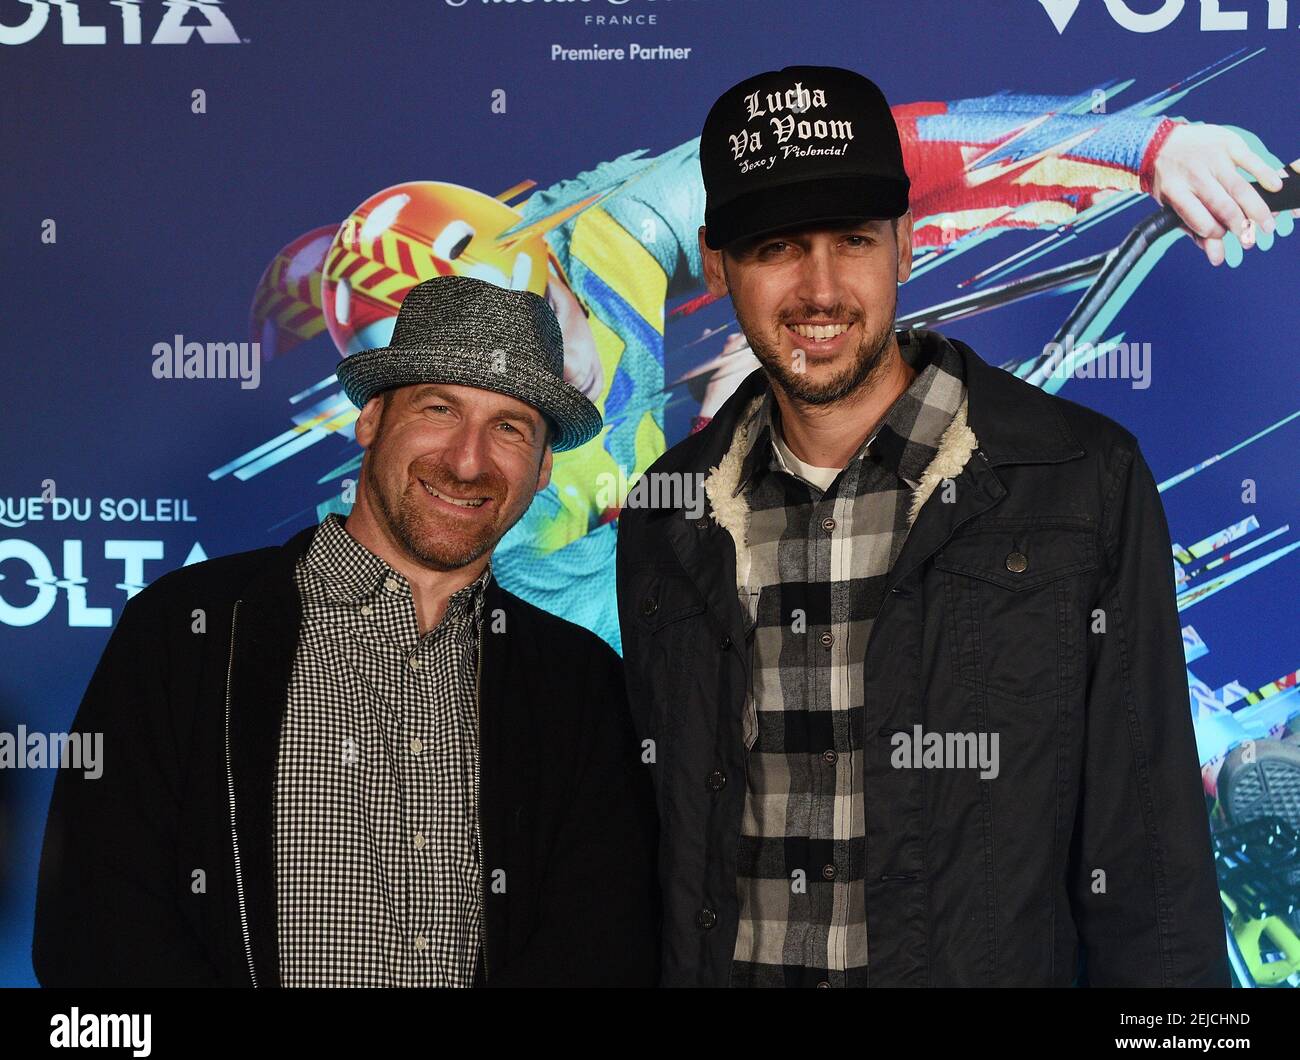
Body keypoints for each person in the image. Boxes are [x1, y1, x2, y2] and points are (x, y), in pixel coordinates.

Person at [616, 65, 1235, 987]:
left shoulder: (1078, 480)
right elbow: (653, 860)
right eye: (778, 246)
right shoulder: (668, 515)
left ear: (905, 244)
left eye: (854, 240)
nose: (820, 289)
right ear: (716, 264)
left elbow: (1150, 867)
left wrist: (1143, 147)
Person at [34, 275, 658, 987]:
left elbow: (604, 948)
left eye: (509, 427)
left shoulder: (581, 683)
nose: (467, 459)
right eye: (438, 407)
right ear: (370, 420)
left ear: (544, 466)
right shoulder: (188, 630)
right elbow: (93, 929)